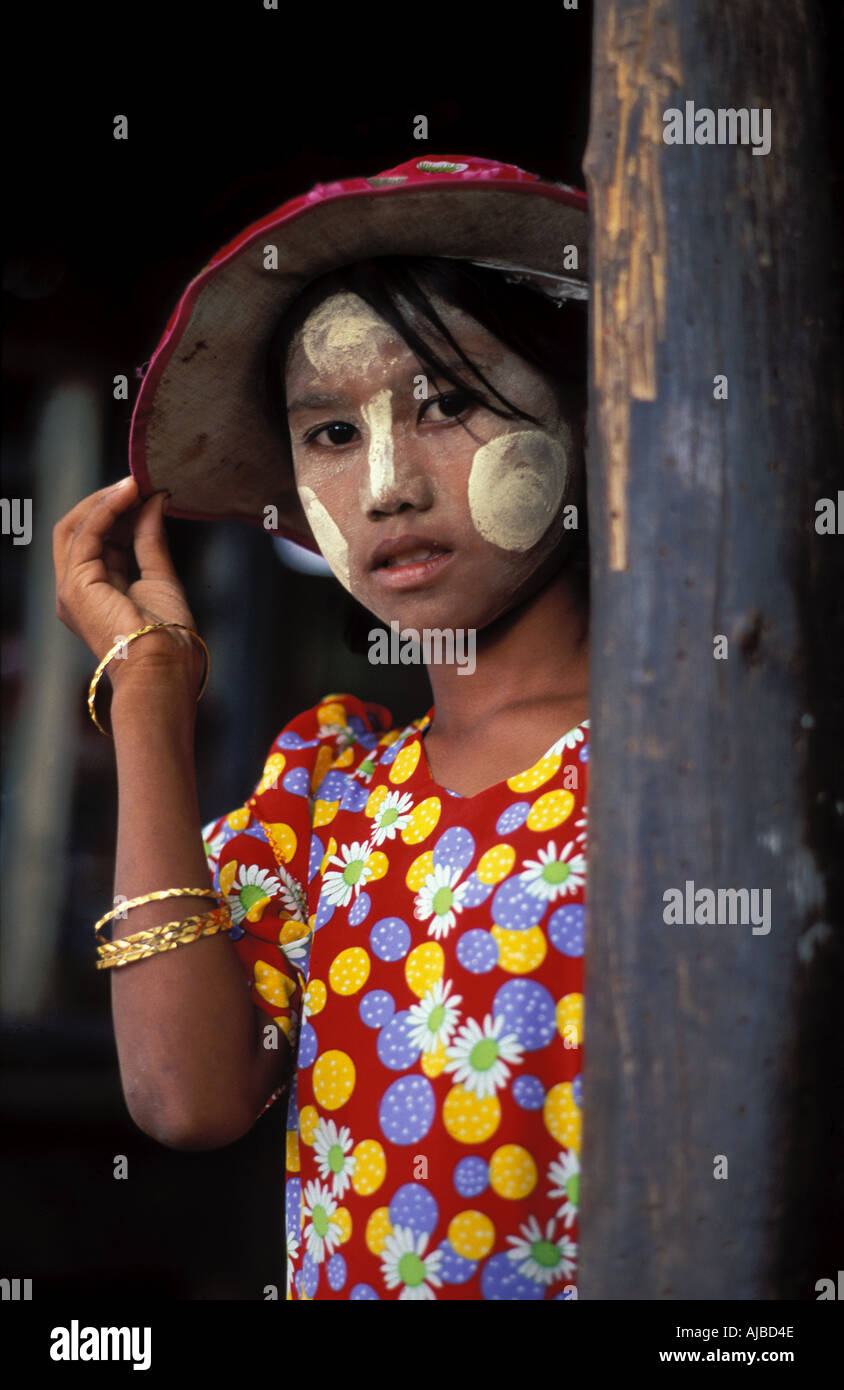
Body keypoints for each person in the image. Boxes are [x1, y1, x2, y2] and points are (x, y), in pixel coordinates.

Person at [53, 153, 590, 1301]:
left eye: (446, 402)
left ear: (587, 415)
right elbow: (186, 1099)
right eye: (332, 435)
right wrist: (146, 694)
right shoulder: (326, 792)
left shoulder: (698, 752)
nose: (387, 485)